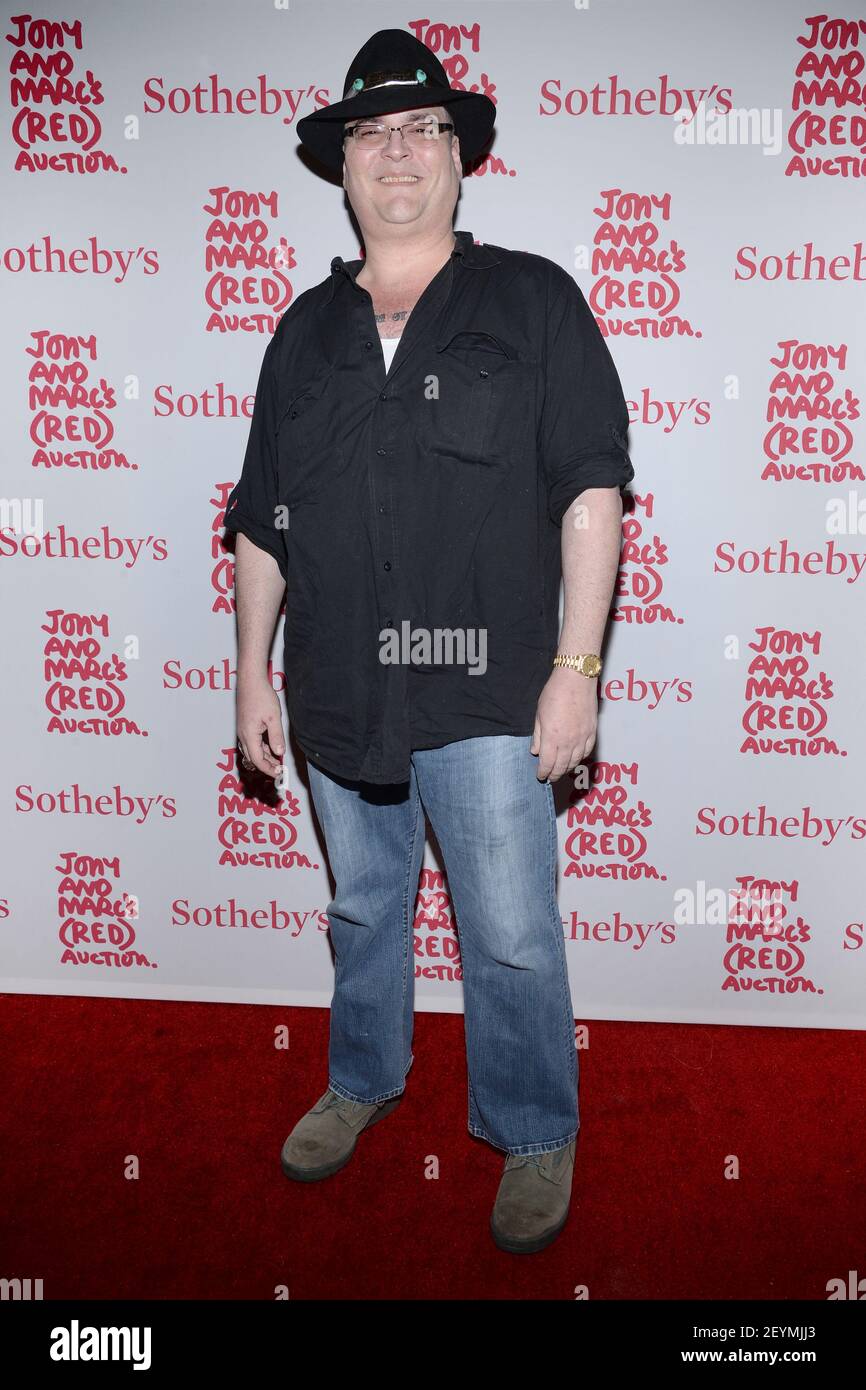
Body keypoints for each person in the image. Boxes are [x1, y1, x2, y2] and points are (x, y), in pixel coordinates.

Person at [223, 28, 634, 1255]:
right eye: (369, 134)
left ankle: (532, 1130)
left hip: (491, 691)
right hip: (340, 689)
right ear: (339, 169)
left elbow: (590, 492)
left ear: (460, 163)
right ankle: (362, 1076)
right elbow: (262, 521)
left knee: (509, 930)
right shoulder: (301, 331)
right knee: (361, 911)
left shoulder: (534, 299)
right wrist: (251, 669)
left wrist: (575, 671)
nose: (395, 152)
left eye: (420, 131)